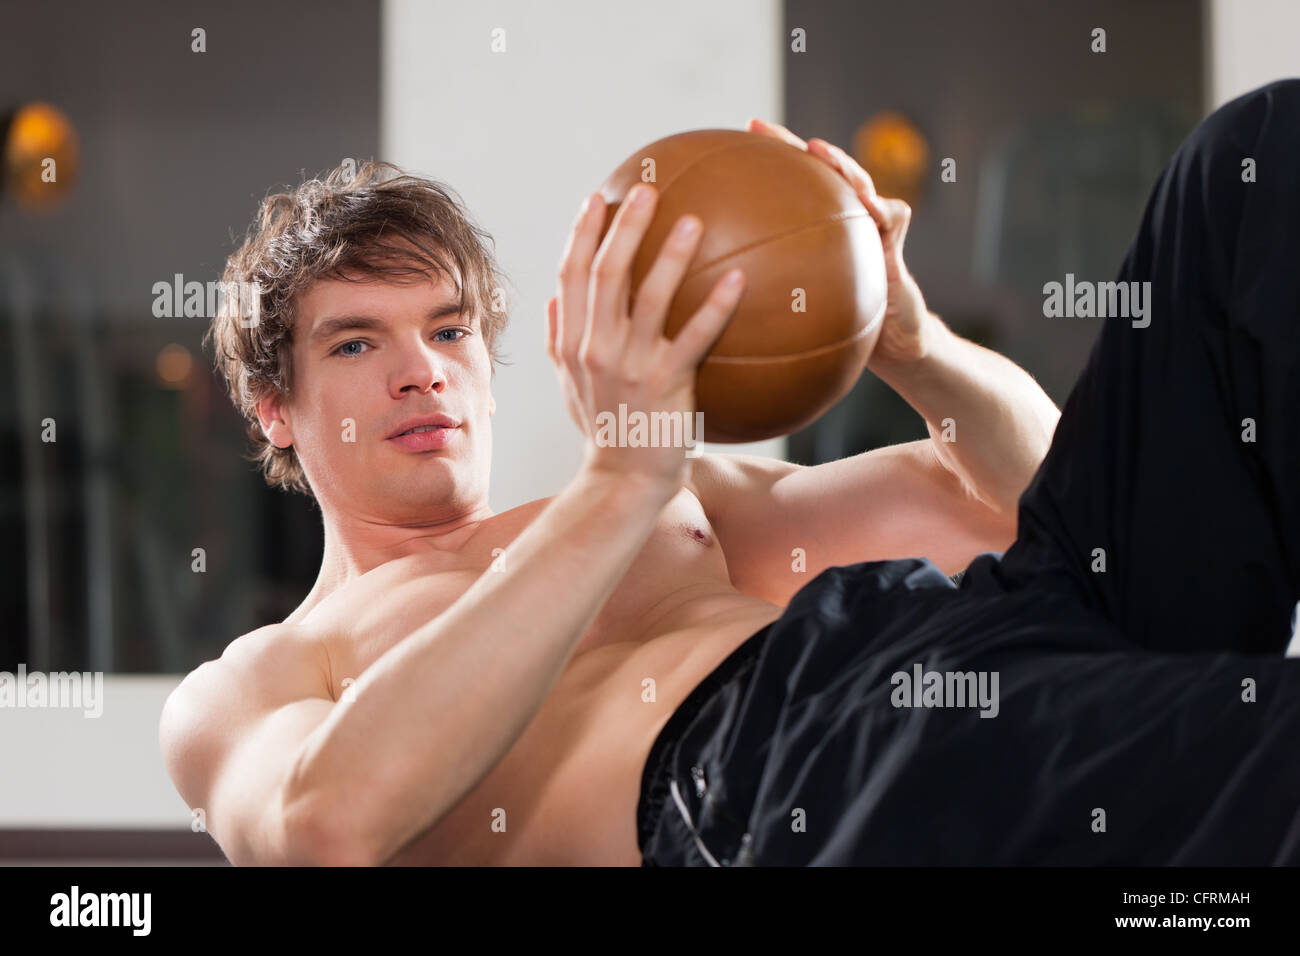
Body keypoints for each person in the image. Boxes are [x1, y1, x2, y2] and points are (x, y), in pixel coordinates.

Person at [159, 78, 1298, 867]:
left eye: (449, 331)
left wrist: (910, 344)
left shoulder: (682, 496)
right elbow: (327, 826)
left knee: (1251, 168)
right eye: (355, 344)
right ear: (274, 406)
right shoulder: (263, 676)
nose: (421, 370)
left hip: (963, 642)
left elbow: (1034, 510)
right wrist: (620, 483)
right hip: (798, 777)